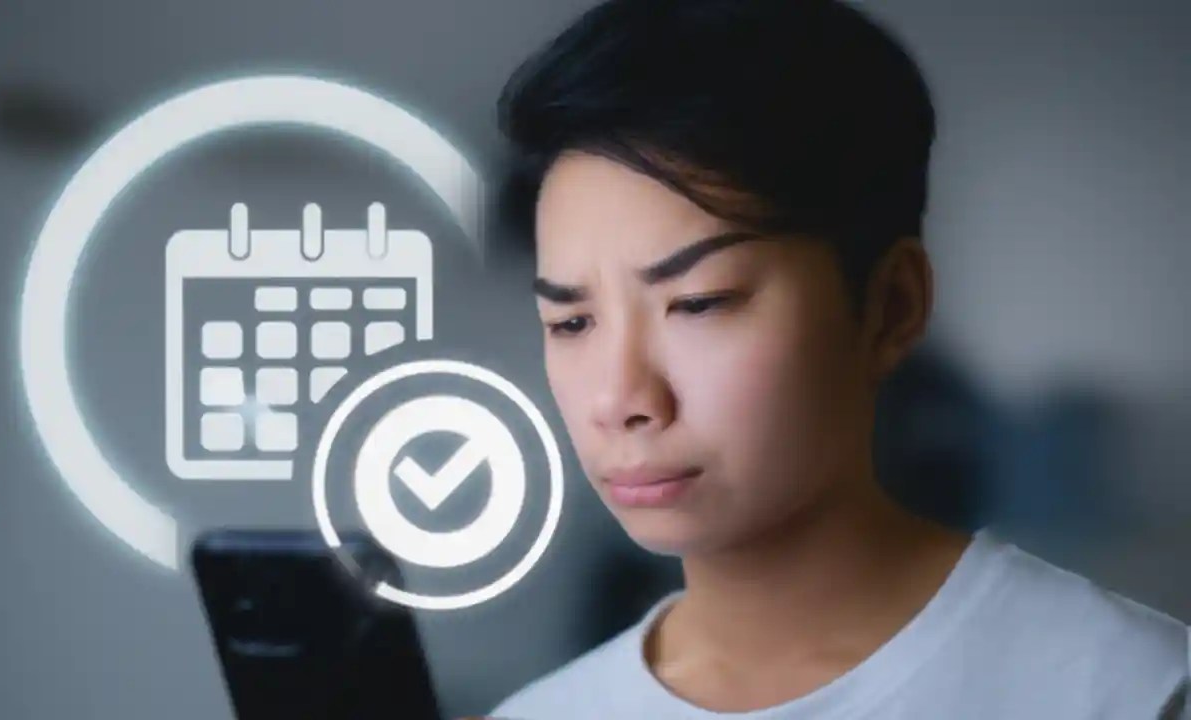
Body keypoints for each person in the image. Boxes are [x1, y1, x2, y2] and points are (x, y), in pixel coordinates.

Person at [469, 0, 1191, 718]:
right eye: (570, 321)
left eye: (699, 303)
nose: (621, 397)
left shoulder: (1128, 690)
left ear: (891, 307)